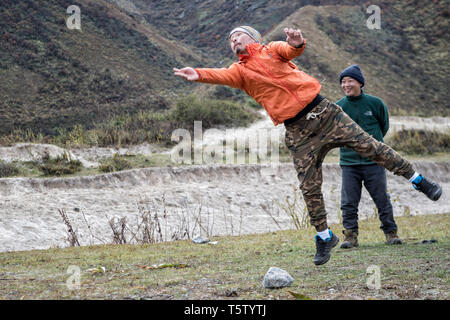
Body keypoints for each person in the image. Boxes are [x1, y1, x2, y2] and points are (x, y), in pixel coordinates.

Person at [173, 26, 442, 266]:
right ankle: (324, 236)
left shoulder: (272, 50)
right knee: (308, 186)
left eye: (238, 36)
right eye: (230, 40)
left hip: (326, 114)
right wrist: (196, 73)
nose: (234, 41)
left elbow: (291, 50)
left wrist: (297, 42)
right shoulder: (239, 72)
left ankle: (418, 180)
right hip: (298, 131)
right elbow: (217, 74)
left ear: (253, 38)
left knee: (373, 147)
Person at [337, 65, 401, 248]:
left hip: (374, 161)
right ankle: (350, 236)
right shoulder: (339, 107)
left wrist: (374, 148)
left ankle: (391, 233)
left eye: (349, 81)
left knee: (382, 198)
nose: (346, 85)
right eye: (343, 82)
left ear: (359, 83)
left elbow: (384, 126)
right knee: (348, 202)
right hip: (349, 163)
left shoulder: (376, 103)